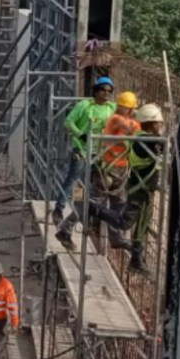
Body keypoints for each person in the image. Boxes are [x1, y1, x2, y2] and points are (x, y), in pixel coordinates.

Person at [54, 77, 116, 224]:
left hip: (100, 152)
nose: (106, 93)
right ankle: (59, 208)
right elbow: (68, 122)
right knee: (73, 179)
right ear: (96, 90)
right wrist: (81, 135)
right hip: (82, 149)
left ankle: (91, 216)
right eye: (103, 90)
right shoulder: (84, 105)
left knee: (100, 183)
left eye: (109, 91)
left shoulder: (111, 108)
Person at [118, 104, 166, 273]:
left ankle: (137, 259)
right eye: (159, 123)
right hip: (140, 189)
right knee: (125, 222)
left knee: (142, 224)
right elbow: (164, 143)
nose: (161, 126)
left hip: (143, 189)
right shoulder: (145, 141)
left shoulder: (140, 137)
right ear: (152, 123)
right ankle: (95, 210)